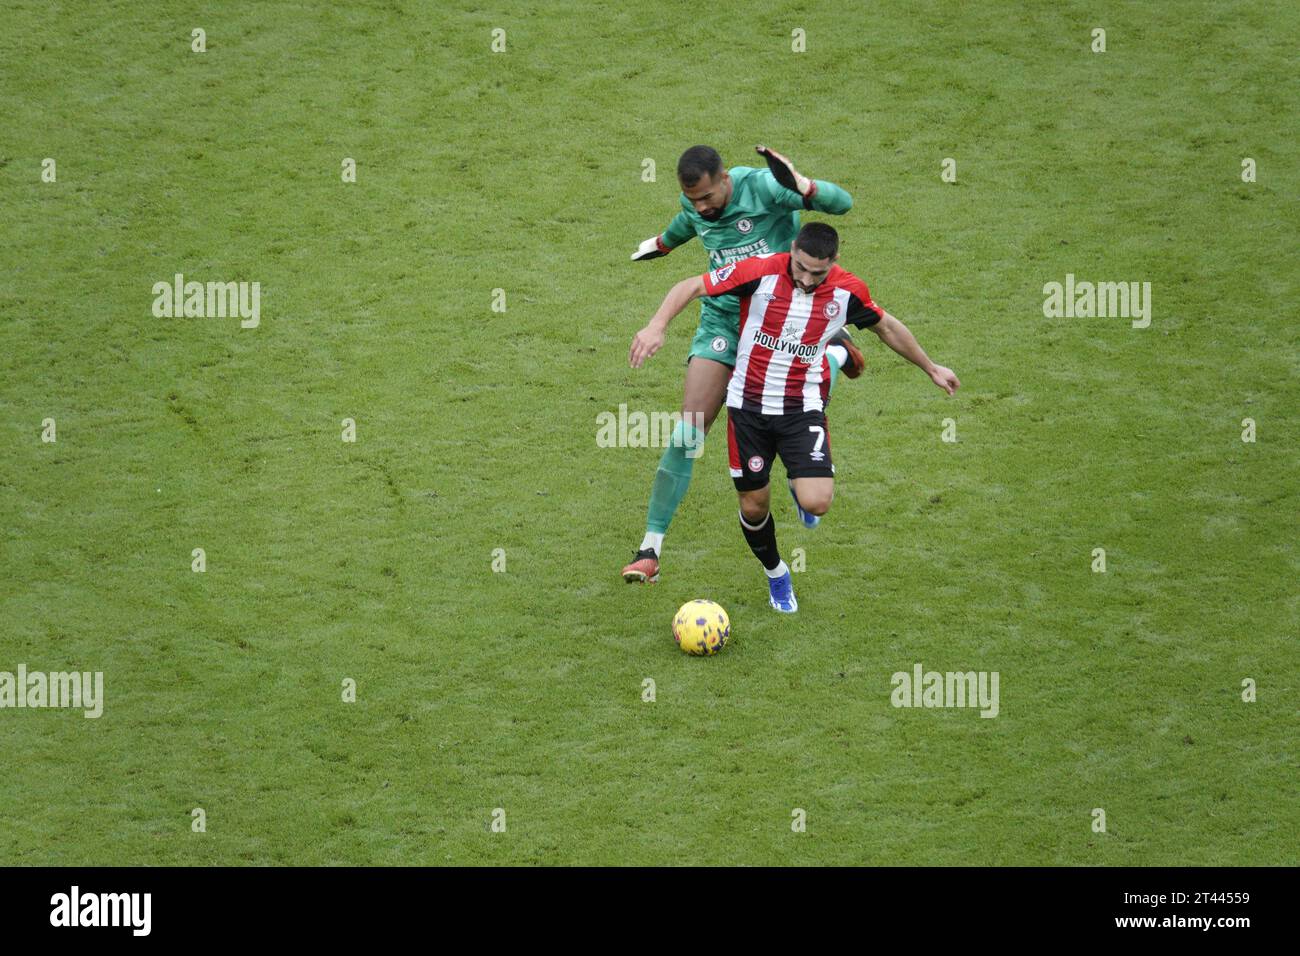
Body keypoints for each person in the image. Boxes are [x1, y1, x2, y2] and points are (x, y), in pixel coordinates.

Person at [629, 222, 960, 611]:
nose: (805, 279)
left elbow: (885, 326)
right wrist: (657, 325)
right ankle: (777, 574)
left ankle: (830, 374)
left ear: (834, 261)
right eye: (799, 267)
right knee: (754, 506)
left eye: (816, 273)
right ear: (792, 251)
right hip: (748, 408)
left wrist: (930, 366)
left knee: (817, 502)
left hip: (801, 409)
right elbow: (694, 285)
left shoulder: (847, 291)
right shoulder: (762, 270)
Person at [622, 145, 859, 583]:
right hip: (724, 324)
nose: (701, 206)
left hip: (778, 327)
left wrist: (806, 187)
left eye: (708, 197)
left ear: (726, 179)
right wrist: (660, 245)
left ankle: (831, 356)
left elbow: (842, 204)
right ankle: (649, 550)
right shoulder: (696, 205)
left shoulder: (765, 187)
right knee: (688, 431)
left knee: (790, 411)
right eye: (692, 199)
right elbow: (686, 224)